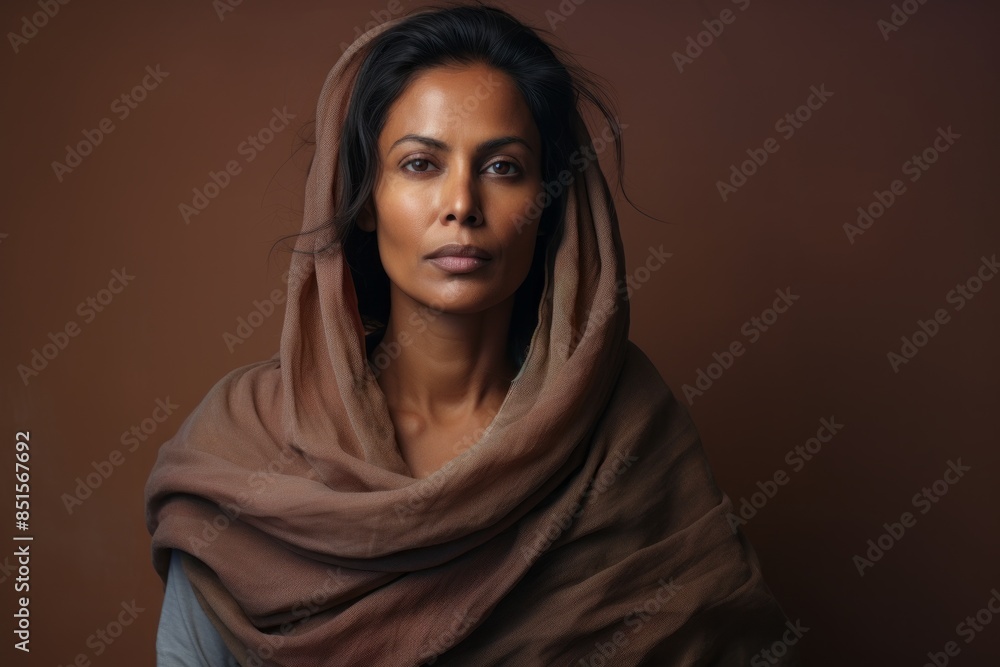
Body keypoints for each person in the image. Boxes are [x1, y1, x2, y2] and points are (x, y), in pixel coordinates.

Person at [145, 3, 800, 665]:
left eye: (503, 167)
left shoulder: (625, 427)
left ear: (549, 204)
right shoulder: (244, 441)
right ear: (366, 198)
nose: (462, 202)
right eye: (421, 164)